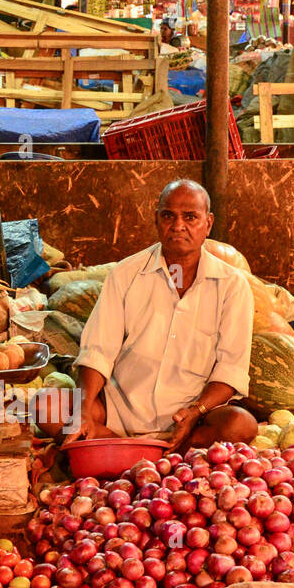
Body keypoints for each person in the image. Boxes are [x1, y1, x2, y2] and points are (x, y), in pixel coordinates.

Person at [44, 179, 258, 451]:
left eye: (190, 217)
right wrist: (85, 408)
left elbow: (231, 369)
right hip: (118, 411)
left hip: (189, 418)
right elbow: (98, 350)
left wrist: (196, 411)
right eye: (169, 215)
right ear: (157, 220)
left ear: (208, 223)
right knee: (47, 406)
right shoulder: (125, 274)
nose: (178, 225)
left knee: (241, 425)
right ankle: (152, 454)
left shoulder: (232, 285)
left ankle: (120, 451)